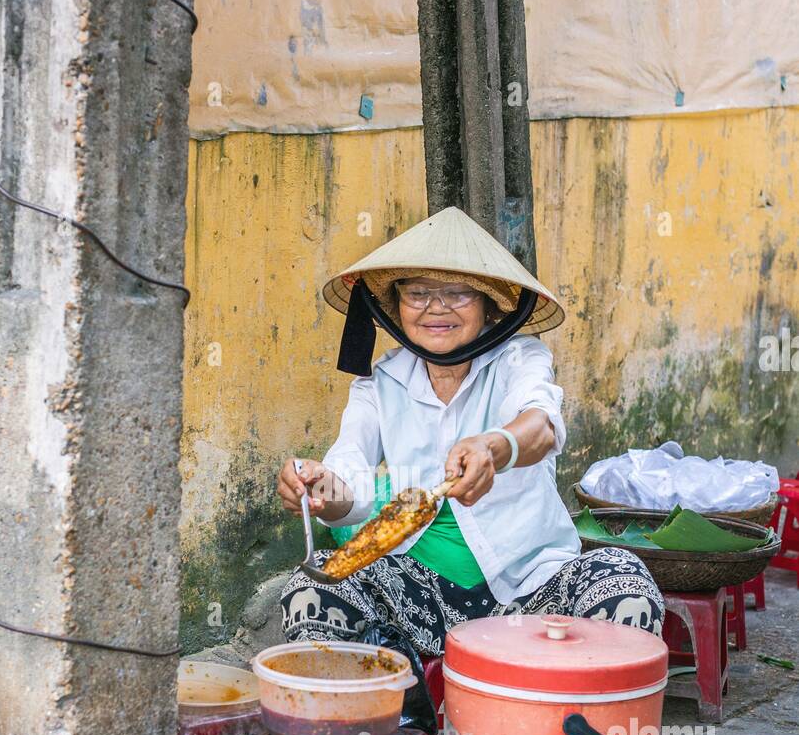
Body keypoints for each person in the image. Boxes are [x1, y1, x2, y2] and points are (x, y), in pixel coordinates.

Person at [277, 206, 665, 652]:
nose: (435, 308)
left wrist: (493, 446)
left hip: (530, 588)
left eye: (458, 294)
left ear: (489, 306)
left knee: (623, 579)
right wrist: (319, 488)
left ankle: (567, 712)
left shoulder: (520, 358)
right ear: (395, 305)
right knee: (313, 593)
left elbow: (541, 425)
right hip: (418, 590)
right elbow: (352, 477)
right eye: (417, 293)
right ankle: (396, 712)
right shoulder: (379, 383)